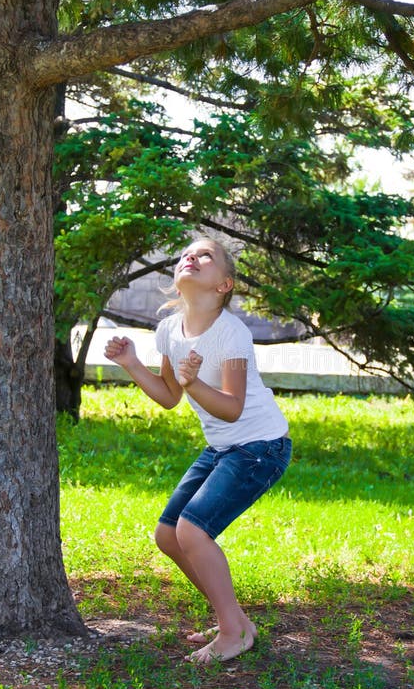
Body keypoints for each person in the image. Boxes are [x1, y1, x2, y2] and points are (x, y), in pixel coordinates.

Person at [104, 237, 292, 663]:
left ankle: (232, 633)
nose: (191, 257)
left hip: (260, 447)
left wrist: (195, 384)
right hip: (224, 447)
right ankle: (236, 621)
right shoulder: (169, 330)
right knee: (168, 535)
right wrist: (132, 364)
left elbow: (232, 407)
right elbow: (170, 396)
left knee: (192, 530)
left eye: (205, 255)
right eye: (187, 253)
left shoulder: (231, 334)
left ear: (224, 285)